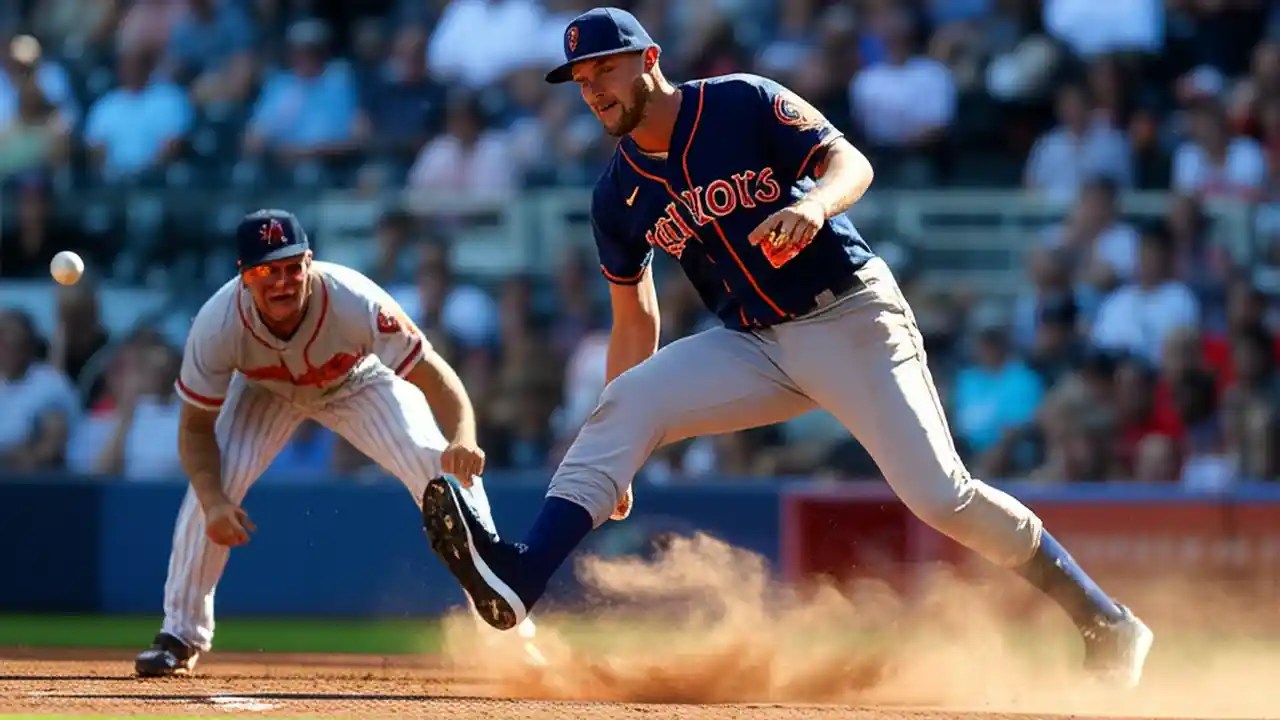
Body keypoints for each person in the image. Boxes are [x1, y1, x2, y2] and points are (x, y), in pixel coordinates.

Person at [420, 7, 1153, 687]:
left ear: (650, 58)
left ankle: (1106, 621)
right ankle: (520, 579)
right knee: (628, 400)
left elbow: (851, 164)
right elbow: (633, 317)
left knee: (940, 496)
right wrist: (625, 456)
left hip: (851, 319)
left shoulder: (740, 101)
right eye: (581, 81)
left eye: (605, 70)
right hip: (754, 344)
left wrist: (810, 203)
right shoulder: (617, 194)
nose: (593, 91)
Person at [134, 209, 534, 677]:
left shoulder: (353, 299)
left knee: (442, 473)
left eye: (291, 267)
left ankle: (511, 632)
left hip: (356, 380)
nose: (282, 282)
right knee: (210, 494)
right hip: (265, 390)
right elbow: (195, 429)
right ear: (244, 276)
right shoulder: (217, 325)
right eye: (266, 271)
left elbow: (439, 380)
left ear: (309, 261)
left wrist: (463, 438)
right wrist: (214, 499)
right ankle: (179, 635)